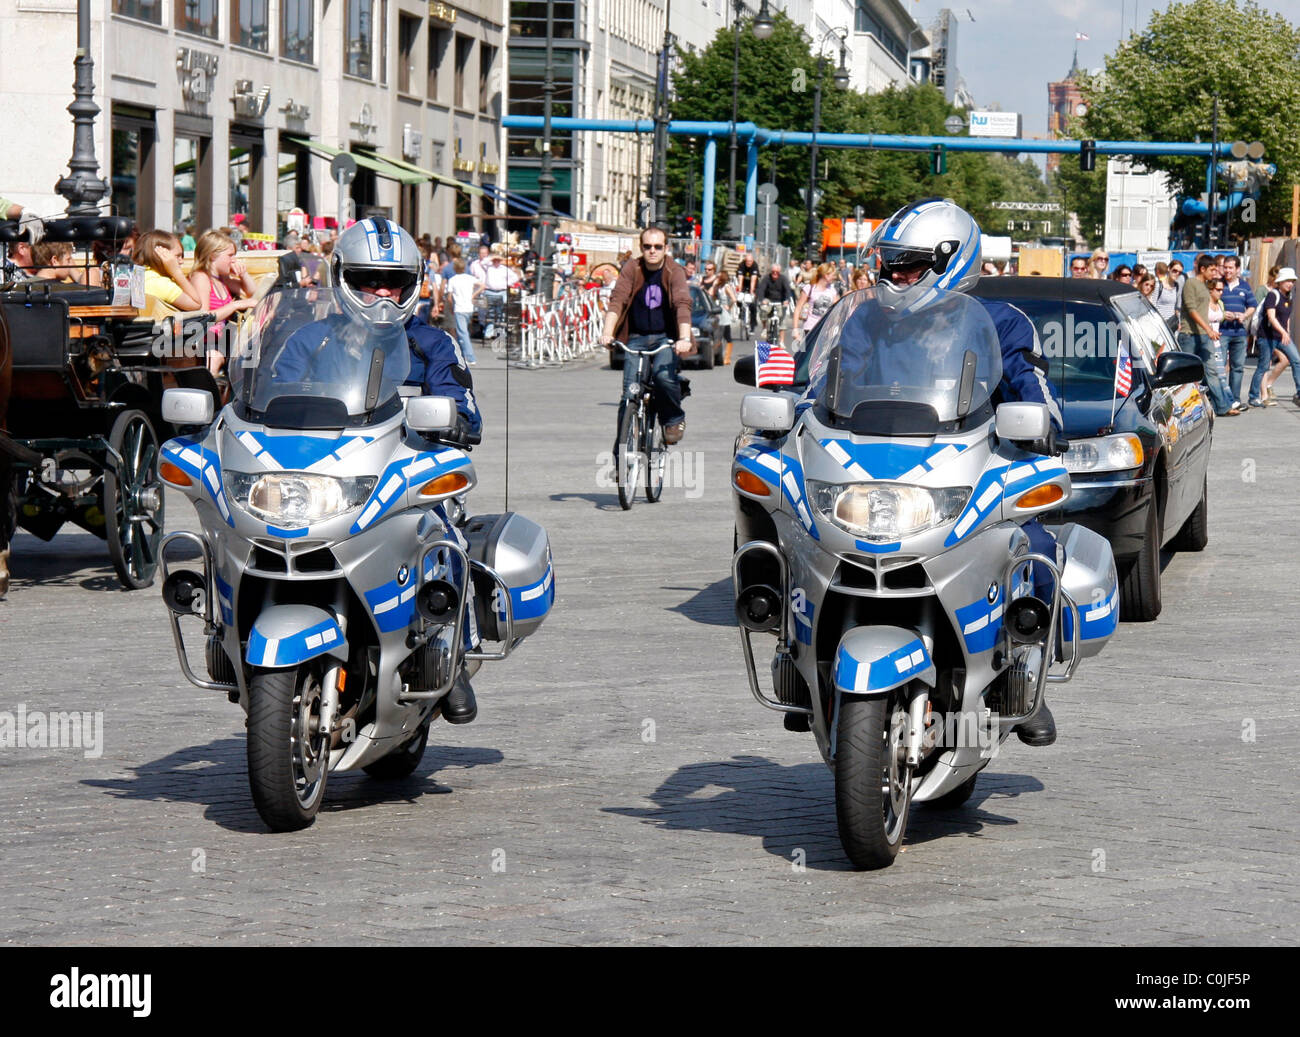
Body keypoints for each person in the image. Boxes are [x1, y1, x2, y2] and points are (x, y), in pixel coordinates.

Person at [867, 198, 1064, 747]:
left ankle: (1023, 676)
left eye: (908, 263)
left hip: (968, 473)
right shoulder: (870, 320)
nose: (894, 274)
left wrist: (1042, 422)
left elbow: (1033, 387)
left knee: (1034, 552)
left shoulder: (1000, 322)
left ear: (952, 260)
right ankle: (799, 653)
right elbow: (820, 382)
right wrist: (787, 409)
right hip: (877, 474)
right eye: (889, 263)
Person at [276, 217, 482, 722]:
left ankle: (450, 654)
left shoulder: (432, 345)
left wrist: (451, 419)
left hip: (405, 480)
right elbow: (265, 397)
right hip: (323, 477)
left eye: (395, 282)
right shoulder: (309, 341)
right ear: (342, 276)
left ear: (414, 285)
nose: (382, 293)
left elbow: (465, 408)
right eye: (369, 281)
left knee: (445, 537)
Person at [598, 225, 692, 445]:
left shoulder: (674, 271)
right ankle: (620, 460)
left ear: (666, 248)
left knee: (663, 378)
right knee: (629, 395)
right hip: (636, 338)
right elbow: (617, 300)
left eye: (658, 246)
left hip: (666, 339)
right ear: (641, 247)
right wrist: (607, 333)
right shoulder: (633, 267)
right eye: (647, 246)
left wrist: (684, 338)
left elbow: (682, 304)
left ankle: (673, 419)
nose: (652, 251)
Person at [189, 230, 258, 377]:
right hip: (206, 341)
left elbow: (252, 292)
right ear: (213, 255)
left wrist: (243, 273)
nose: (233, 260)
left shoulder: (222, 279)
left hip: (225, 340)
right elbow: (202, 316)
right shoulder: (201, 277)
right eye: (230, 255)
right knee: (215, 359)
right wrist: (234, 305)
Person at [1178, 253, 1239, 416]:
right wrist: (1208, 328)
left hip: (1204, 336)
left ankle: (1222, 407)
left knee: (1212, 371)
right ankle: (1184, 410)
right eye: (1211, 270)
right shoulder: (1191, 283)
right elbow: (1191, 310)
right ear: (1202, 269)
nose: (1214, 273)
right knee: (1187, 374)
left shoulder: (1205, 285)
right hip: (1189, 335)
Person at [1249, 267, 1297, 407]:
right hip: (1267, 336)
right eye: (1287, 281)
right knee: (1263, 366)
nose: (1290, 284)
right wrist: (1283, 332)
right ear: (1280, 282)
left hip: (1281, 337)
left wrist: (1286, 332)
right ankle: (1254, 396)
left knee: (1295, 360)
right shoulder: (1272, 295)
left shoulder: (1289, 298)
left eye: (1292, 281)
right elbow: (1271, 316)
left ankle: (1299, 392)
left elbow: (1286, 318)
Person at [1219, 254, 1256, 410]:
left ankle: (1235, 399)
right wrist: (1222, 315)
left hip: (1239, 332)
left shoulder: (1245, 286)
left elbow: (1252, 306)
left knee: (1237, 367)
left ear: (1237, 269)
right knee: (1219, 367)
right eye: (1225, 267)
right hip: (1221, 332)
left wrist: (1244, 315)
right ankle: (1220, 399)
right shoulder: (1218, 284)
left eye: (1230, 268)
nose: (1227, 271)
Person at [134, 229, 203, 312]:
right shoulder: (159, 283)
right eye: (177, 256)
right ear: (161, 256)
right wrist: (177, 273)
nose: (182, 261)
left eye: (182, 256)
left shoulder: (140, 275)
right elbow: (196, 304)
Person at [444, 257, 483, 364]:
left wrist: (451, 307)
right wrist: (473, 295)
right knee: (463, 332)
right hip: (469, 307)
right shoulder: (470, 278)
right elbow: (482, 285)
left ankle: (470, 357)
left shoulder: (453, 280)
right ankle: (462, 355)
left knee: (462, 333)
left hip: (459, 308)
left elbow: (449, 298)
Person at [792, 262, 840, 342]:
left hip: (825, 330)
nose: (834, 277)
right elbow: (797, 309)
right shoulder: (809, 288)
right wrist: (795, 330)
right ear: (826, 275)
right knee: (806, 353)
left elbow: (837, 310)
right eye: (833, 275)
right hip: (810, 329)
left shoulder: (832, 290)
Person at [755, 262, 794, 346]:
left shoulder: (783, 279)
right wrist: (762, 300)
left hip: (780, 301)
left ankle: (782, 341)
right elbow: (761, 289)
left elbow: (787, 290)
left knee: (782, 319)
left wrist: (786, 300)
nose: (775, 273)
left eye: (777, 272)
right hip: (769, 300)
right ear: (771, 271)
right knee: (763, 310)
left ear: (779, 272)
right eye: (773, 272)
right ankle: (765, 328)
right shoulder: (766, 278)